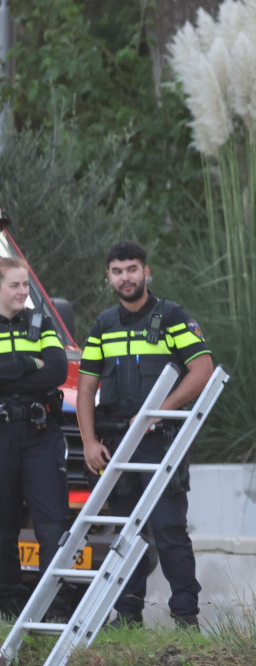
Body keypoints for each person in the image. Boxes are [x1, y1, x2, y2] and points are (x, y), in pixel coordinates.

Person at [78, 241, 216, 628]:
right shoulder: (103, 325)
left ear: (146, 272)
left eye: (132, 269)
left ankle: (186, 616)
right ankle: (127, 616)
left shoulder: (172, 316)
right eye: (118, 271)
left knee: (170, 529)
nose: (126, 277)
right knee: (125, 533)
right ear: (109, 277)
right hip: (118, 445)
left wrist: (161, 411)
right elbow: (86, 388)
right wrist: (90, 441)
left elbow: (202, 369)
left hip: (160, 441)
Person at [0, 257, 72, 617]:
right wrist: (30, 364)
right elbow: (41, 369)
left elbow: (58, 371)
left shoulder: (41, 324)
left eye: (26, 286)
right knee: (3, 526)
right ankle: (8, 607)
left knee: (52, 524)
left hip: (40, 435)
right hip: (2, 437)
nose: (23, 293)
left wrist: (10, 371)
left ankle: (54, 607)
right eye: (15, 285)